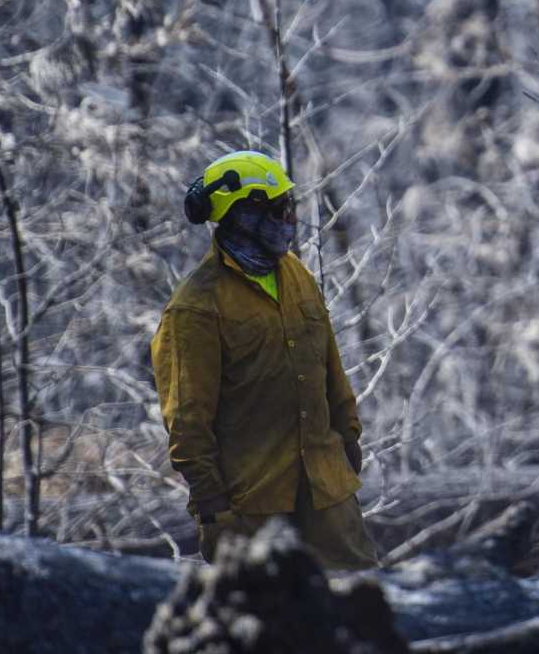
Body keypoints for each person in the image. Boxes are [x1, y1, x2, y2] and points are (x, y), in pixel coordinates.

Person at [151, 150, 379, 570]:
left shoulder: (297, 277)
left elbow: (330, 368)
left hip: (327, 492)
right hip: (249, 507)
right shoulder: (195, 307)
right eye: (277, 209)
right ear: (241, 216)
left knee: (364, 610)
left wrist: (348, 441)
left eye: (289, 207)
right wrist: (213, 506)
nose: (288, 220)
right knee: (263, 628)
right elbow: (187, 421)